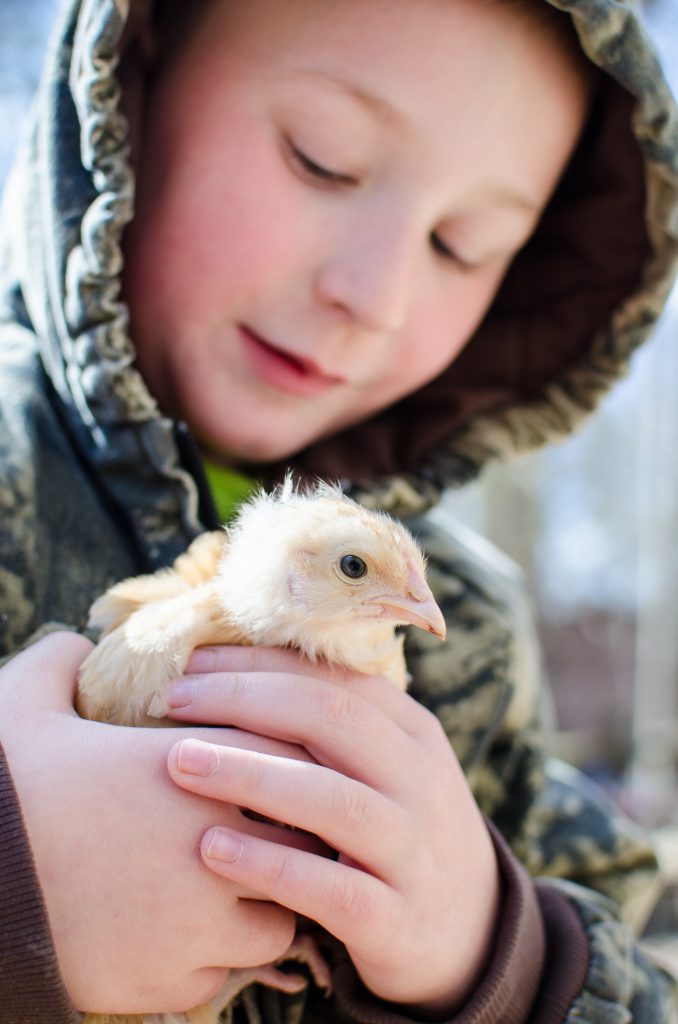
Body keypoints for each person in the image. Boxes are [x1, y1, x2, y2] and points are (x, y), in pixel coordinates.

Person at [0, 0, 677, 1021]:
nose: (378, 293)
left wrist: (497, 956)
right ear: (129, 92)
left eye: (462, 244)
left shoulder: (470, 632)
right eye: (323, 160)